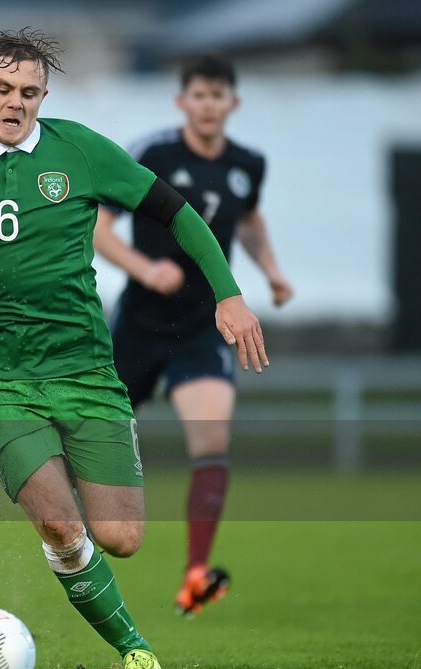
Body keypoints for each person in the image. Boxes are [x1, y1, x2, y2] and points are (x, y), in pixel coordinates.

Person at [0, 29, 268, 669]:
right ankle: (136, 650)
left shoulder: (81, 150)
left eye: (28, 93)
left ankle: (71, 507)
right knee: (57, 521)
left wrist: (230, 294)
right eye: (1, 89)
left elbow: (178, 211)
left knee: (122, 539)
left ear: (43, 96)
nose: (14, 103)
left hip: (87, 375)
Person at [93, 54, 293, 618]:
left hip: (203, 328)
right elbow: (99, 227)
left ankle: (195, 576)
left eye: (218, 96)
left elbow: (249, 220)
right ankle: (74, 543)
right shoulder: (153, 154)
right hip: (138, 326)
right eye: (198, 96)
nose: (208, 105)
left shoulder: (249, 164)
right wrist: (144, 268)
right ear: (182, 102)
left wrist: (272, 272)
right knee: (92, 439)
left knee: (211, 442)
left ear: (234, 103)